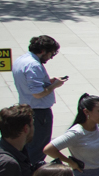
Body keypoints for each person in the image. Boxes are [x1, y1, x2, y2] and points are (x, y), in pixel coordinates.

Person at [13, 34, 64, 167]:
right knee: (38, 147)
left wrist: (48, 81)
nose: (50, 58)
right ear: (42, 51)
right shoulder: (34, 65)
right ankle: (33, 172)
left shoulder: (21, 60)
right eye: (50, 54)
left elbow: (30, 84)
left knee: (28, 146)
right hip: (39, 113)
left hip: (27, 108)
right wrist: (54, 85)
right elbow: (37, 93)